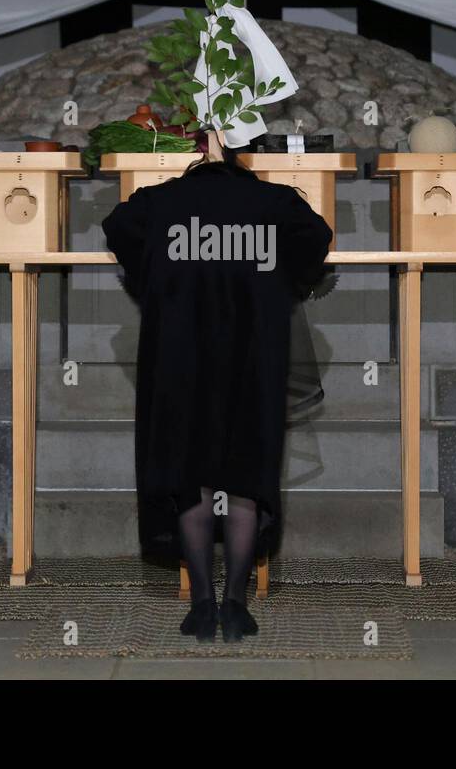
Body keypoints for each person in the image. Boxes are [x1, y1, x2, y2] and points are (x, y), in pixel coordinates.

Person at [102, 150, 332, 642]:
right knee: (246, 475)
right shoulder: (272, 201)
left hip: (180, 359)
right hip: (254, 357)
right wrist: (282, 277)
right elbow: (317, 241)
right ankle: (237, 605)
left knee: (193, 477)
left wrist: (155, 275)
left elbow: (117, 227)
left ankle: (202, 605)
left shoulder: (160, 201)